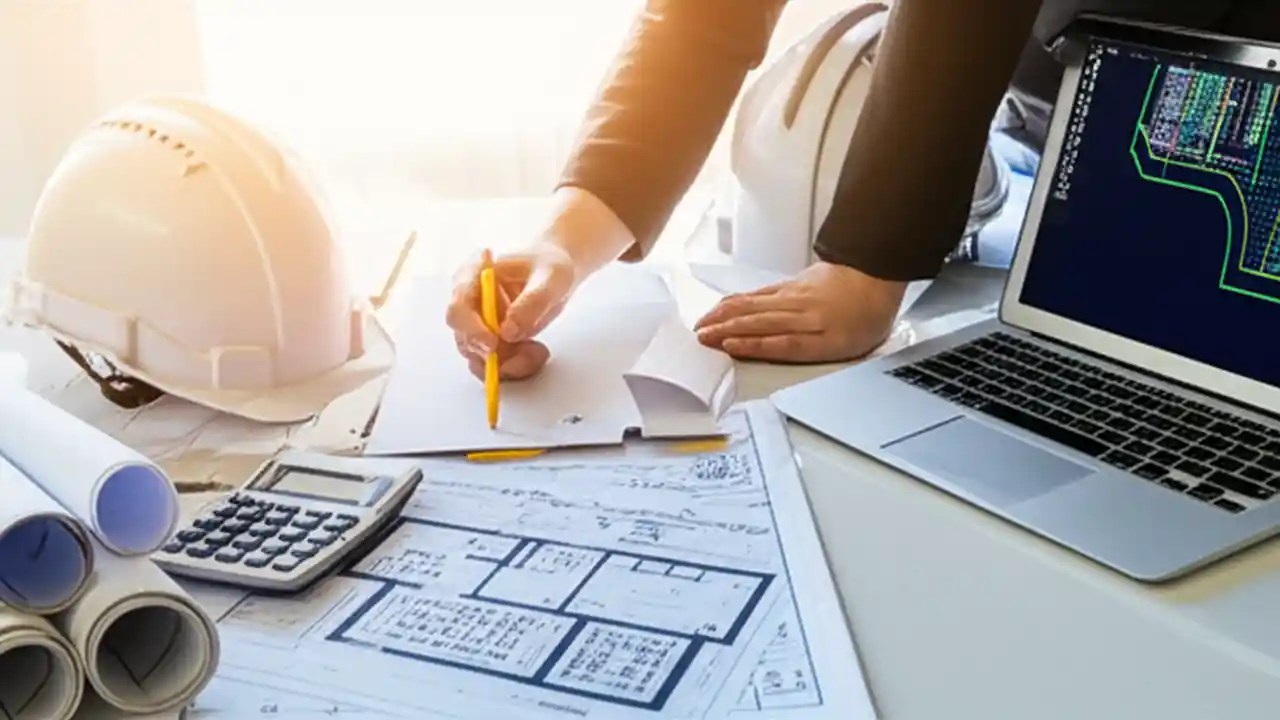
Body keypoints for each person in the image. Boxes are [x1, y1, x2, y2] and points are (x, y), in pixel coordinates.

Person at [446, 0, 1280, 381]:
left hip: (1233, 92)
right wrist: (567, 237)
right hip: (1050, 99)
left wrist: (869, 268)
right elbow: (704, 19)